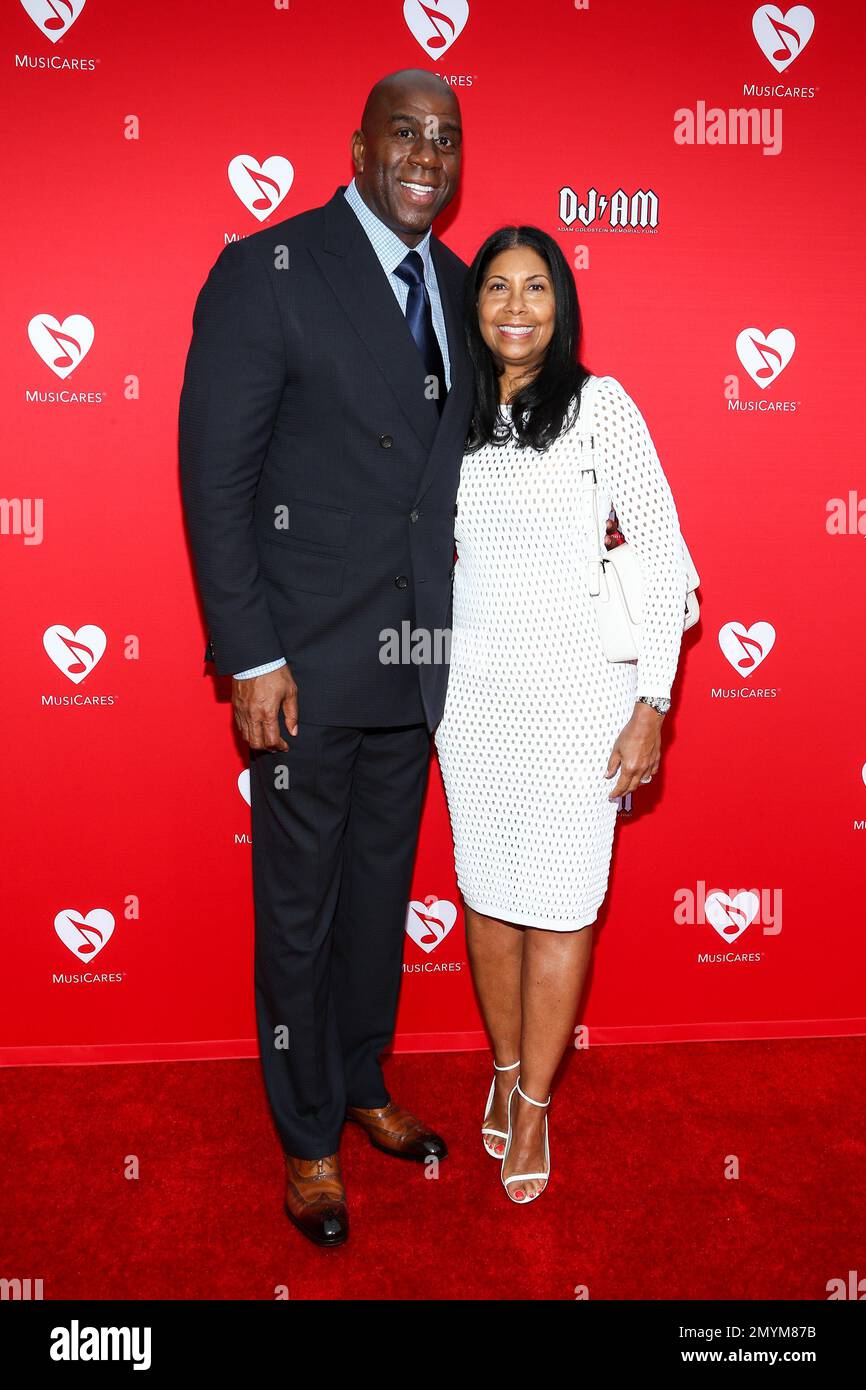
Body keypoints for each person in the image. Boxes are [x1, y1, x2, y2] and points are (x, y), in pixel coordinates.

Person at [178, 69, 474, 1247]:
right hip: (300, 668)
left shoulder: (456, 284)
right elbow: (217, 480)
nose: (426, 153)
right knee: (298, 910)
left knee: (376, 899)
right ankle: (306, 1137)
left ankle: (361, 1083)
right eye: (405, 132)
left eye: (446, 139)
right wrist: (250, 654)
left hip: (415, 664)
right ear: (356, 146)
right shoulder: (269, 269)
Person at [434, 226, 688, 1205]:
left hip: (578, 700)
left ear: (560, 303)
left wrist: (649, 702)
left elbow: (660, 555)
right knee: (489, 893)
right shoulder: (447, 413)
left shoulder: (599, 407)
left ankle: (534, 1098)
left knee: (565, 901)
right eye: (493, 287)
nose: (512, 305)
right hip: (473, 701)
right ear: (473, 307)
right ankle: (502, 1065)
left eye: (533, 287)